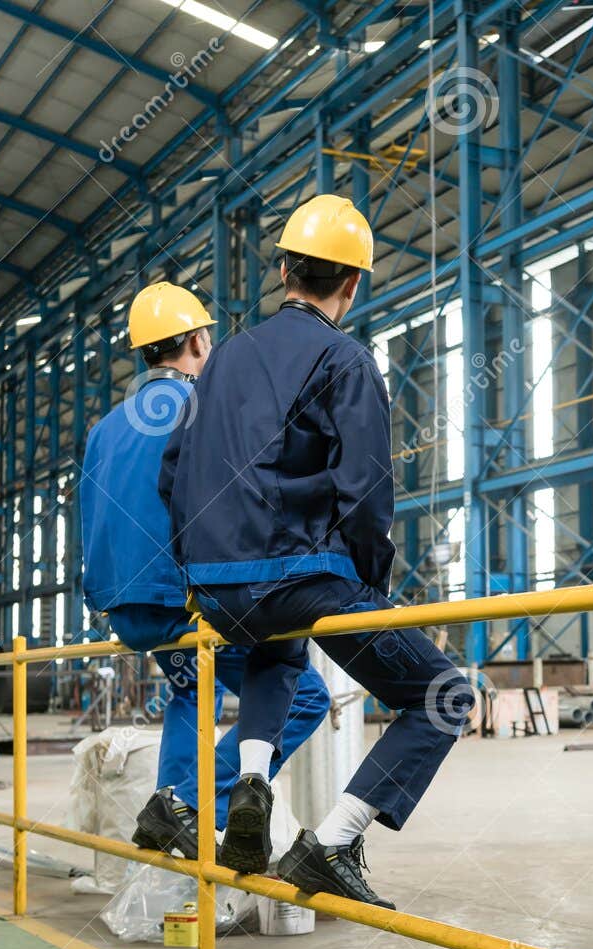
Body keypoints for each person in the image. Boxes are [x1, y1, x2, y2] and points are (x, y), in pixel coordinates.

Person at [160, 195, 473, 910]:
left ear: (282, 270)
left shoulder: (223, 359)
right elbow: (364, 488)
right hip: (300, 581)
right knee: (444, 695)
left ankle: (252, 784)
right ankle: (331, 843)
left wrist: (195, 573)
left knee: (275, 648)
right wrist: (370, 586)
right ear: (353, 285)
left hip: (215, 589)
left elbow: (171, 474)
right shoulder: (345, 359)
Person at [79, 282, 331, 875]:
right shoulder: (201, 407)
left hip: (125, 606)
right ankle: (193, 800)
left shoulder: (104, 429)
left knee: (194, 687)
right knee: (304, 692)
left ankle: (169, 808)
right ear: (196, 340)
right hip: (180, 599)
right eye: (208, 337)